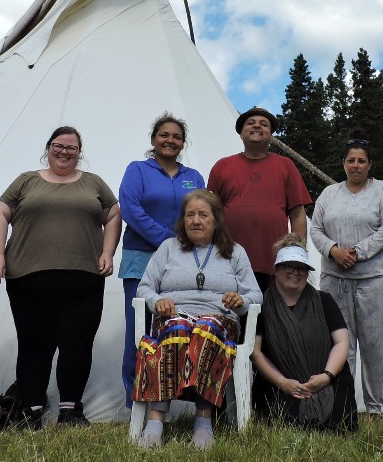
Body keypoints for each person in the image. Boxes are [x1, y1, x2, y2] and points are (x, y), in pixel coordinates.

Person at [0, 126, 122, 429]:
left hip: (84, 278)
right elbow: (0, 213)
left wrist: (108, 251)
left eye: (71, 148)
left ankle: (70, 411)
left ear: (79, 153)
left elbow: (114, 214)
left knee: (77, 344)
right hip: (27, 277)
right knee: (34, 344)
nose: (64, 152)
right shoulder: (26, 180)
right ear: (48, 148)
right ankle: (31, 411)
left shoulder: (94, 182)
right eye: (58, 145)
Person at [133, 189, 262, 449]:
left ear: (216, 220)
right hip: (174, 317)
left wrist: (240, 301)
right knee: (178, 328)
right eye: (190, 215)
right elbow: (144, 287)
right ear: (182, 220)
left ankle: (203, 423)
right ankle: (155, 423)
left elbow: (255, 294)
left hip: (218, 320)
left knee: (207, 328)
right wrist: (157, 301)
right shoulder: (168, 248)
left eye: (203, 215)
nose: (195, 221)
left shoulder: (234, 252)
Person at [308, 130, 383, 413]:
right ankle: (342, 404)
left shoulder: (382, 190)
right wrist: (334, 250)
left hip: (376, 276)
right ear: (344, 163)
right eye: (351, 160)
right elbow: (316, 228)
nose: (356, 165)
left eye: (361, 161)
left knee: (374, 343)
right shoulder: (329, 193)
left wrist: (358, 252)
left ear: (370, 164)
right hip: (335, 277)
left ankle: (373, 407)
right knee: (340, 341)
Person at [117, 113, 205, 407]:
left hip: (181, 262)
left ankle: (168, 399)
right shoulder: (138, 170)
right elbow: (130, 209)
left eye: (176, 137)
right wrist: (168, 240)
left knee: (177, 326)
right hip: (141, 258)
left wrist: (179, 245)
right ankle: (134, 402)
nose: (170, 140)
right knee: (139, 328)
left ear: (183, 143)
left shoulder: (194, 177)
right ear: (153, 139)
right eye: (164, 135)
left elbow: (200, 213)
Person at [253, 235, 357, 432]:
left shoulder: (324, 301)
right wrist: (283, 383)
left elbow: (342, 342)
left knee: (340, 426)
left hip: (327, 377)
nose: (295, 272)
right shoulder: (262, 306)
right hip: (280, 381)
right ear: (276, 269)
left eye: (301, 268)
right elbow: (256, 353)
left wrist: (326, 376)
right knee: (285, 425)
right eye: (288, 266)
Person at [208, 107, 312, 291]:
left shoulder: (286, 166)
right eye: (251, 123)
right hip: (228, 260)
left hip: (274, 262)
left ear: (270, 134)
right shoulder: (222, 166)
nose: (257, 126)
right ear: (241, 132)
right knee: (231, 309)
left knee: (272, 309)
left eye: (264, 124)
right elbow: (210, 213)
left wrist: (297, 253)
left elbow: (297, 213)